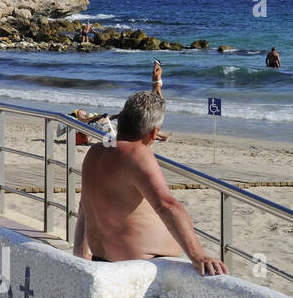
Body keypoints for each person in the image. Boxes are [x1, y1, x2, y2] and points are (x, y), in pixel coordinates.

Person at [73, 91, 226, 274]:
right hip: (139, 269)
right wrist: (199, 255)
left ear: (121, 120)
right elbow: (166, 205)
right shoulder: (137, 154)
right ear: (154, 133)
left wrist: (80, 260)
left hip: (101, 261)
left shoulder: (95, 152)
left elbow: (85, 208)